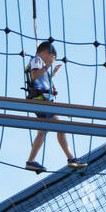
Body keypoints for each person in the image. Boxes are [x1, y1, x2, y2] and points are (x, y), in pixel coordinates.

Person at [24, 40, 85, 173]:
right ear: (46, 53)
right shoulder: (37, 60)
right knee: (59, 126)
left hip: (42, 101)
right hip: (42, 102)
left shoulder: (39, 63)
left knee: (43, 132)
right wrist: (47, 66)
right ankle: (71, 158)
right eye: (51, 58)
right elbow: (34, 76)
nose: (50, 61)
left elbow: (41, 80)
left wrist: (52, 73)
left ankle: (31, 161)